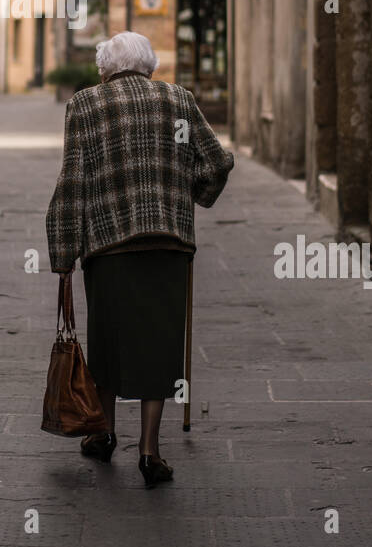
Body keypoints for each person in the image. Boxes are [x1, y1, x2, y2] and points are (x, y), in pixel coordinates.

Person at [46, 31, 233, 489]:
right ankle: (150, 451)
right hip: (169, 244)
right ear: (149, 66)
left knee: (108, 341)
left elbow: (73, 181)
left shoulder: (86, 104)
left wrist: (63, 252)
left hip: (109, 246)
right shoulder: (179, 100)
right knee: (159, 345)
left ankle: (104, 432)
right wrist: (189, 196)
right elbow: (217, 163)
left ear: (106, 69)